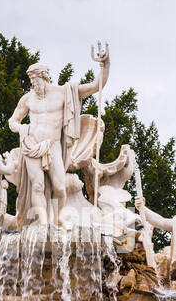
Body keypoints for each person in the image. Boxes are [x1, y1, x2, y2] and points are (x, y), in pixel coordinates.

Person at [6, 45, 110, 226]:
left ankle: (58, 222)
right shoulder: (28, 99)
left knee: (60, 188)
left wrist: (105, 64)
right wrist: (22, 129)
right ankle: (44, 225)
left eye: (35, 80)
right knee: (37, 185)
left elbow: (96, 86)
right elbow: (12, 121)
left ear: (44, 77)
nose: (33, 84)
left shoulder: (64, 93)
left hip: (52, 144)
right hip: (31, 146)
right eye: (31, 81)